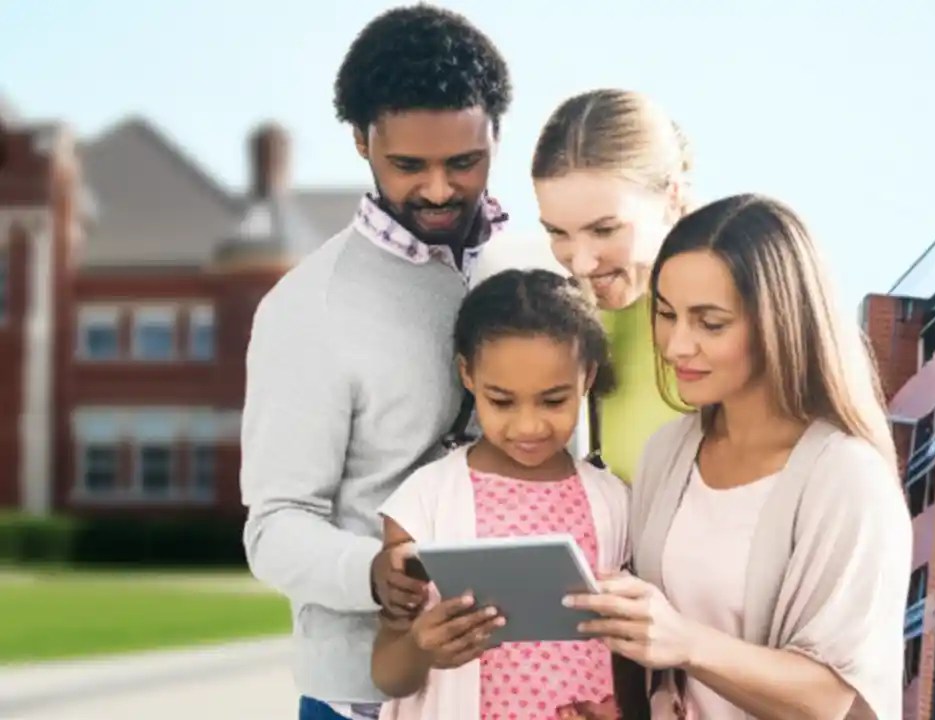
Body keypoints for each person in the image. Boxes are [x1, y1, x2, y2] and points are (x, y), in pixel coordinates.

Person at [238, 6, 512, 719]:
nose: (438, 189)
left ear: (496, 137)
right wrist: (369, 572)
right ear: (360, 142)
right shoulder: (306, 309)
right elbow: (273, 526)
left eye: (464, 162)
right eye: (407, 165)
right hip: (362, 698)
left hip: (518, 684)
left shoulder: (532, 266)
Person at [565, 195, 910, 720]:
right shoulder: (669, 452)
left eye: (711, 322)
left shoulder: (847, 477)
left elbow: (831, 699)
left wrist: (685, 643)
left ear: (779, 323)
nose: (678, 345)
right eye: (666, 314)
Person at [371, 269, 629, 720]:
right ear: (468, 375)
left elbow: (629, 653)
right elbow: (389, 674)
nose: (528, 426)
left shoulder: (615, 502)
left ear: (586, 376)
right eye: (502, 401)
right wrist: (420, 647)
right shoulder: (424, 501)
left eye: (553, 401)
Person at [531, 89, 692, 483]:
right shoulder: (576, 319)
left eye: (605, 230)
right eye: (558, 233)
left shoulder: (753, 310)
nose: (582, 264)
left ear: (672, 198)